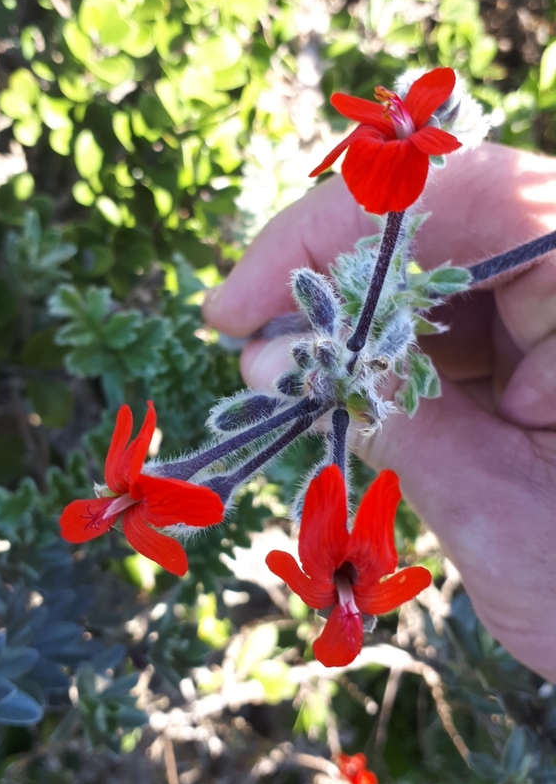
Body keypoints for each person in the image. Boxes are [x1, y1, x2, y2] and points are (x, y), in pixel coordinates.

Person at [203, 142, 556, 682]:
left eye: (340, 608)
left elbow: (326, 563)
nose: (349, 613)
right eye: (350, 610)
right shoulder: (359, 584)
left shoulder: (350, 584)